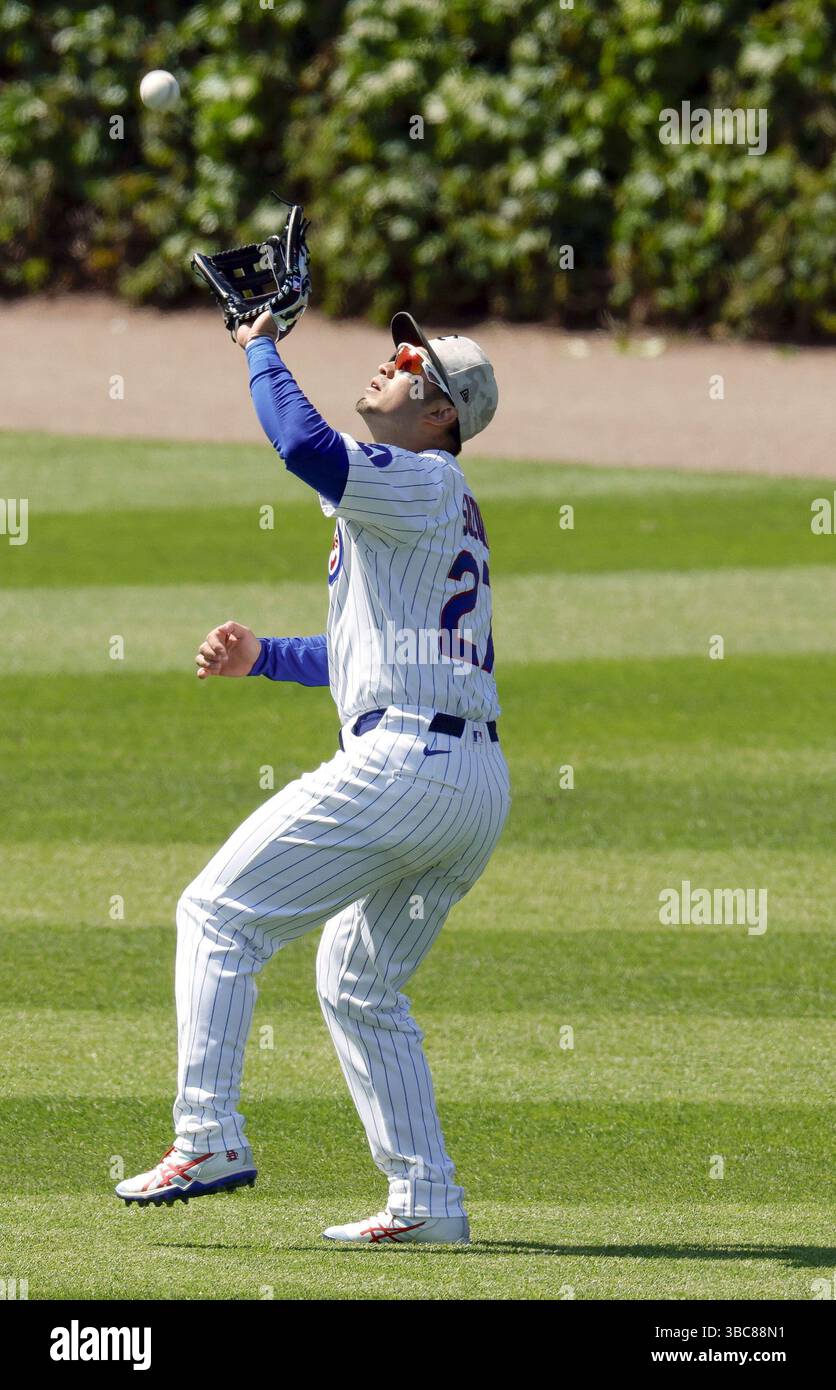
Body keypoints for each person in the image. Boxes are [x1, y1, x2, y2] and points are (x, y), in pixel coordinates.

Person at [115, 308, 510, 1245]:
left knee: (218, 914)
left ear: (441, 415)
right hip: (471, 782)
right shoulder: (421, 497)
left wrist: (258, 345)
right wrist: (266, 658)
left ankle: (207, 1137)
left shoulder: (417, 479)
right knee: (357, 981)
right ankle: (428, 1203)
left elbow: (300, 442)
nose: (392, 360)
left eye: (414, 363)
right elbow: (367, 652)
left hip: (407, 766)